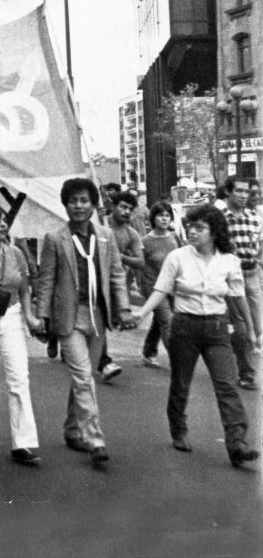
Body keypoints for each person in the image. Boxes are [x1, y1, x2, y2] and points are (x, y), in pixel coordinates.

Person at [133, 205, 260, 468]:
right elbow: (161, 289)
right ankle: (178, 429)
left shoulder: (229, 260)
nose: (192, 231)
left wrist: (251, 330)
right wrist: (141, 313)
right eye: (190, 226)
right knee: (181, 383)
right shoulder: (177, 257)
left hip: (217, 328)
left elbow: (238, 297)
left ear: (214, 232)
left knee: (226, 386)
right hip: (184, 327)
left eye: (200, 228)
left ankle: (237, 443)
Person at [36, 178, 135, 469]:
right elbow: (46, 280)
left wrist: (124, 308)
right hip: (69, 317)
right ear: (65, 205)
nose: (78, 206)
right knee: (82, 376)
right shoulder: (55, 238)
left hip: (98, 315)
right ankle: (94, 439)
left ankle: (71, 429)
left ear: (93, 205)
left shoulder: (105, 236)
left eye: (84, 201)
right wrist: (42, 317)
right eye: (73, 201)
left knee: (86, 375)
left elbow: (116, 274)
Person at [0, 205, 43, 467]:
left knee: (19, 378)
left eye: (5, 221)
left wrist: (29, 316)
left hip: (11, 315)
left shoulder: (15, 253)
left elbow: (24, 288)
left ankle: (22, 442)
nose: (3, 225)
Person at [97, 190, 145, 383]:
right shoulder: (99, 223)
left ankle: (100, 359)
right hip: (93, 280)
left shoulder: (131, 234)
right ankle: (104, 362)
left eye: (130, 209)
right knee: (98, 320)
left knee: (104, 321)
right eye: (123, 207)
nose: (126, 212)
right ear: (113, 207)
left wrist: (120, 256)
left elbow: (140, 261)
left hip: (115, 282)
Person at [220, 175, 261, 390]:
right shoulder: (219, 218)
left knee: (257, 325)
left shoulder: (254, 217)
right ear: (228, 192)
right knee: (242, 326)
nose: (244, 195)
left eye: (247, 192)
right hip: (230, 277)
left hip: (252, 273)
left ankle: (229, 351)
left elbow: (259, 244)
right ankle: (246, 373)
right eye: (239, 191)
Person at [140, 201, 180, 368]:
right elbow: (139, 265)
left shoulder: (174, 237)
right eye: (160, 215)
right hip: (154, 287)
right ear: (153, 218)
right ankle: (178, 361)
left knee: (159, 320)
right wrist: (139, 287)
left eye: (167, 215)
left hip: (173, 287)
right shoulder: (145, 241)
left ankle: (148, 352)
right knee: (166, 321)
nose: (164, 219)